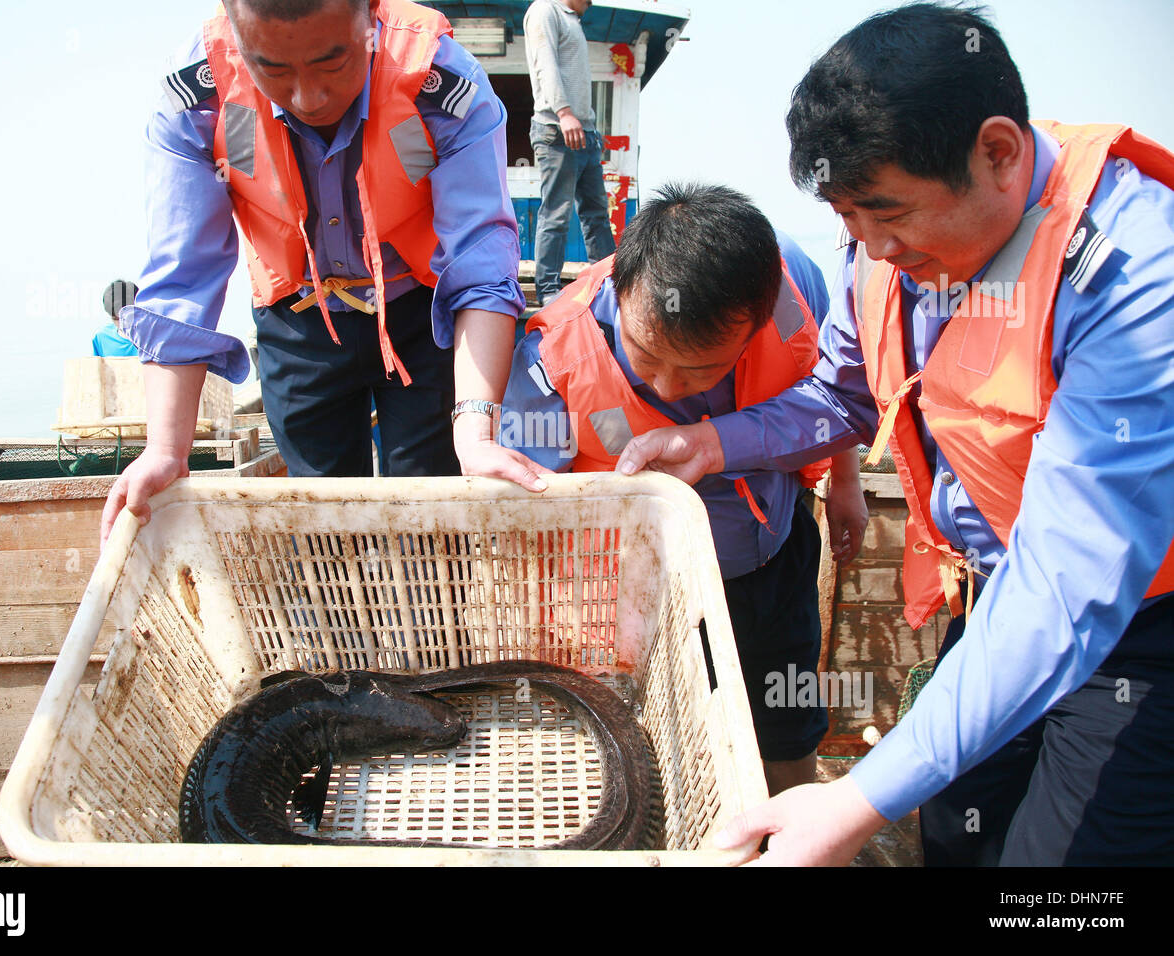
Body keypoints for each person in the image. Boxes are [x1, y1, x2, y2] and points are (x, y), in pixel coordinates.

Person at [608, 4, 1174, 865]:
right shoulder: (880, 250)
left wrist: (852, 802)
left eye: (886, 212)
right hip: (984, 603)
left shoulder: (1135, 280)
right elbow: (843, 399)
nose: (870, 246)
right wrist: (714, 445)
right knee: (954, 827)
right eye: (845, 216)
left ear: (998, 153)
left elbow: (1069, 582)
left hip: (1133, 629)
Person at [101, 0, 546, 542]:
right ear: (235, 31)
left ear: (370, 17)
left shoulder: (437, 87)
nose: (307, 97)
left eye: (332, 65)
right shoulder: (206, 101)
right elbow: (183, 275)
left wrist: (476, 433)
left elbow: (480, 261)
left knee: (434, 521)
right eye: (274, 69)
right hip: (297, 317)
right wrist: (165, 450)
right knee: (321, 529)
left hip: (419, 317)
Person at [501, 182, 868, 794]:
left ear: (753, 322)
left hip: (772, 561)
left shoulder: (790, 285)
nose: (670, 389)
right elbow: (534, 518)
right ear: (620, 288)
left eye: (702, 369)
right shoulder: (551, 354)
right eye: (645, 357)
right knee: (650, 744)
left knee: (786, 725)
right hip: (635, 595)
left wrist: (846, 481)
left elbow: (834, 388)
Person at [524, 0, 617, 307]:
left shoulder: (572, 19)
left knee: (596, 216)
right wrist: (564, 113)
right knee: (557, 213)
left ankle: (610, 286)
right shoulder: (545, 10)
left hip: (585, 133)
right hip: (557, 129)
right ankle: (548, 291)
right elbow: (545, 64)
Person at [92, 279, 140, 357]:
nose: (122, 324)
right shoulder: (101, 338)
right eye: (116, 319)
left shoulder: (151, 338)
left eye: (126, 317)